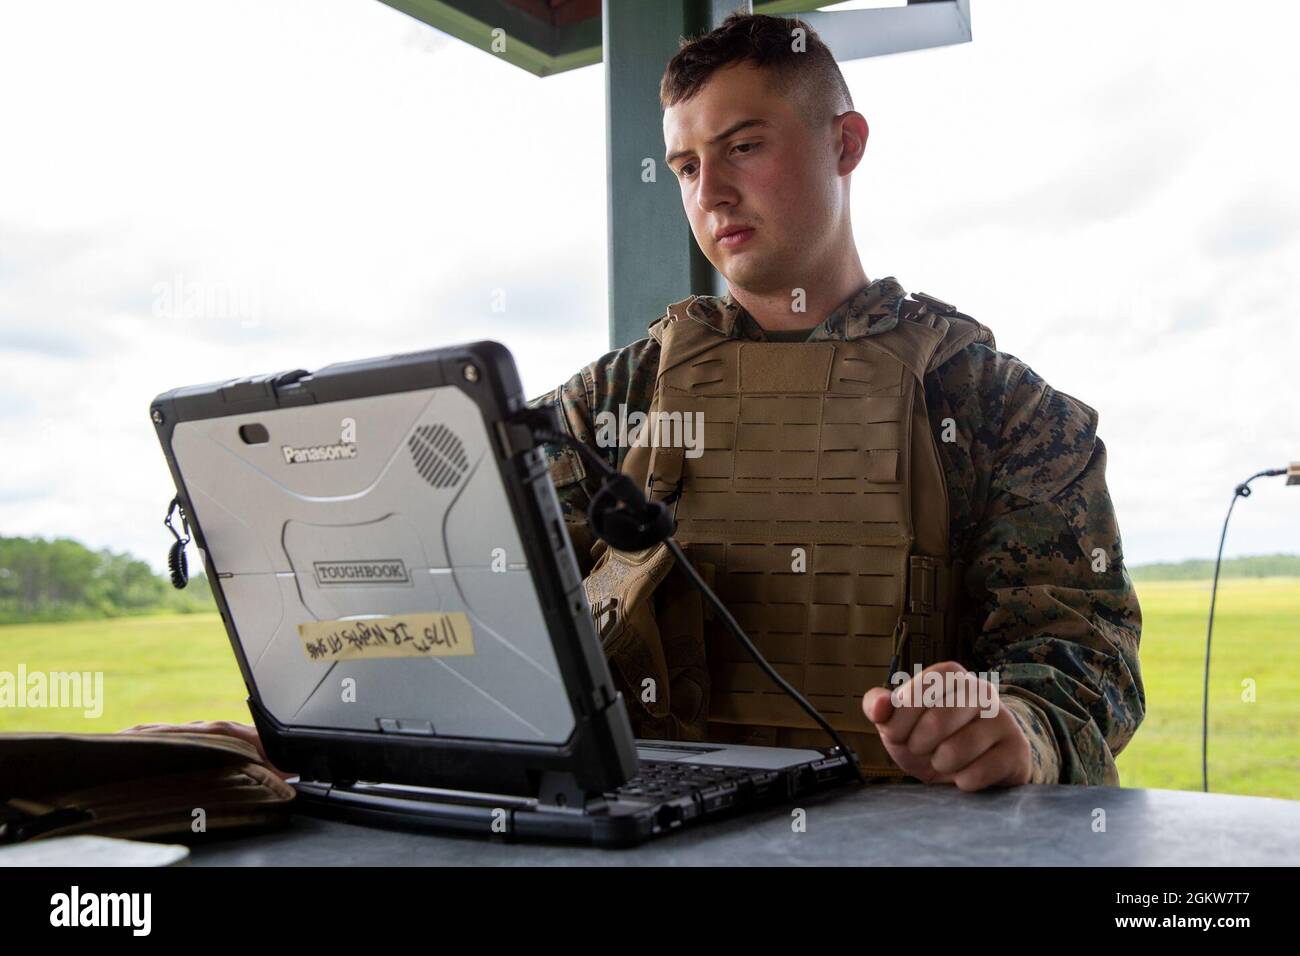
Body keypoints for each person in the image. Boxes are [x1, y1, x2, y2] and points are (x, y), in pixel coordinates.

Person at [128, 13, 1144, 793]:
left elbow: (1085, 655)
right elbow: (486, 616)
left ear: (845, 143)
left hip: (915, 842)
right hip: (669, 838)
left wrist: (1014, 723)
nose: (711, 191)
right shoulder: (607, 403)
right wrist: (329, 699)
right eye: (688, 165)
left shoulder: (999, 405)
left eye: (745, 145)